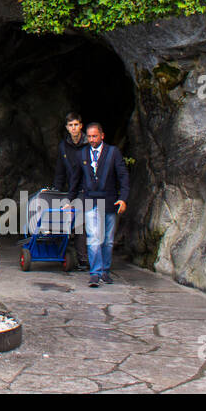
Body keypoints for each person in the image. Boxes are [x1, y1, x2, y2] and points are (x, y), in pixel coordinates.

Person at [69, 121, 129, 287]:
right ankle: (95, 273)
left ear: (102, 136)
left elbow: (123, 176)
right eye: (89, 136)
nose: (92, 139)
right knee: (94, 238)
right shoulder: (82, 154)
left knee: (108, 240)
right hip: (90, 201)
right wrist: (70, 200)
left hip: (109, 201)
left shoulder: (113, 152)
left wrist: (123, 198)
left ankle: (105, 271)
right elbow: (75, 179)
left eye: (95, 136)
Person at [53, 112, 90, 270]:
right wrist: (56, 190)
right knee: (64, 218)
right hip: (72, 188)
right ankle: (63, 253)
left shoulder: (89, 143)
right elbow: (60, 170)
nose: (73, 128)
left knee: (81, 222)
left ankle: (83, 258)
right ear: (67, 128)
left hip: (87, 189)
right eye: (70, 125)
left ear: (81, 126)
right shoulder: (64, 146)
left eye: (76, 125)